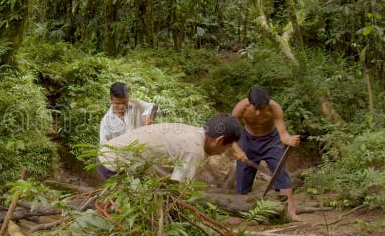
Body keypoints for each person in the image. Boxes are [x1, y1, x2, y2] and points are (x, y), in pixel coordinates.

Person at [97, 113, 242, 182]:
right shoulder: (194, 149)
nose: (223, 152)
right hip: (114, 165)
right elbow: (177, 189)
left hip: (108, 153)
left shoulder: (194, 132)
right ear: (218, 141)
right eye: (227, 147)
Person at [232, 85, 301, 221]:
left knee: (281, 174)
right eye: (255, 108)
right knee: (243, 179)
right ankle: (242, 213)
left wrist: (290, 140)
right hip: (247, 140)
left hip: (271, 141)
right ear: (249, 102)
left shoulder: (275, 109)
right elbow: (229, 131)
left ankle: (290, 211)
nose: (258, 113)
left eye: (261, 109)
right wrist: (238, 150)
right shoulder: (241, 107)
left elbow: (283, 134)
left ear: (267, 103)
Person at [99, 82, 158, 146]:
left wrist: (146, 115)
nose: (121, 106)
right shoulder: (106, 122)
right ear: (110, 99)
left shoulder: (137, 105)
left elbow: (154, 106)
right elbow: (103, 145)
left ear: (128, 97)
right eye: (117, 103)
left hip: (145, 149)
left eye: (124, 102)